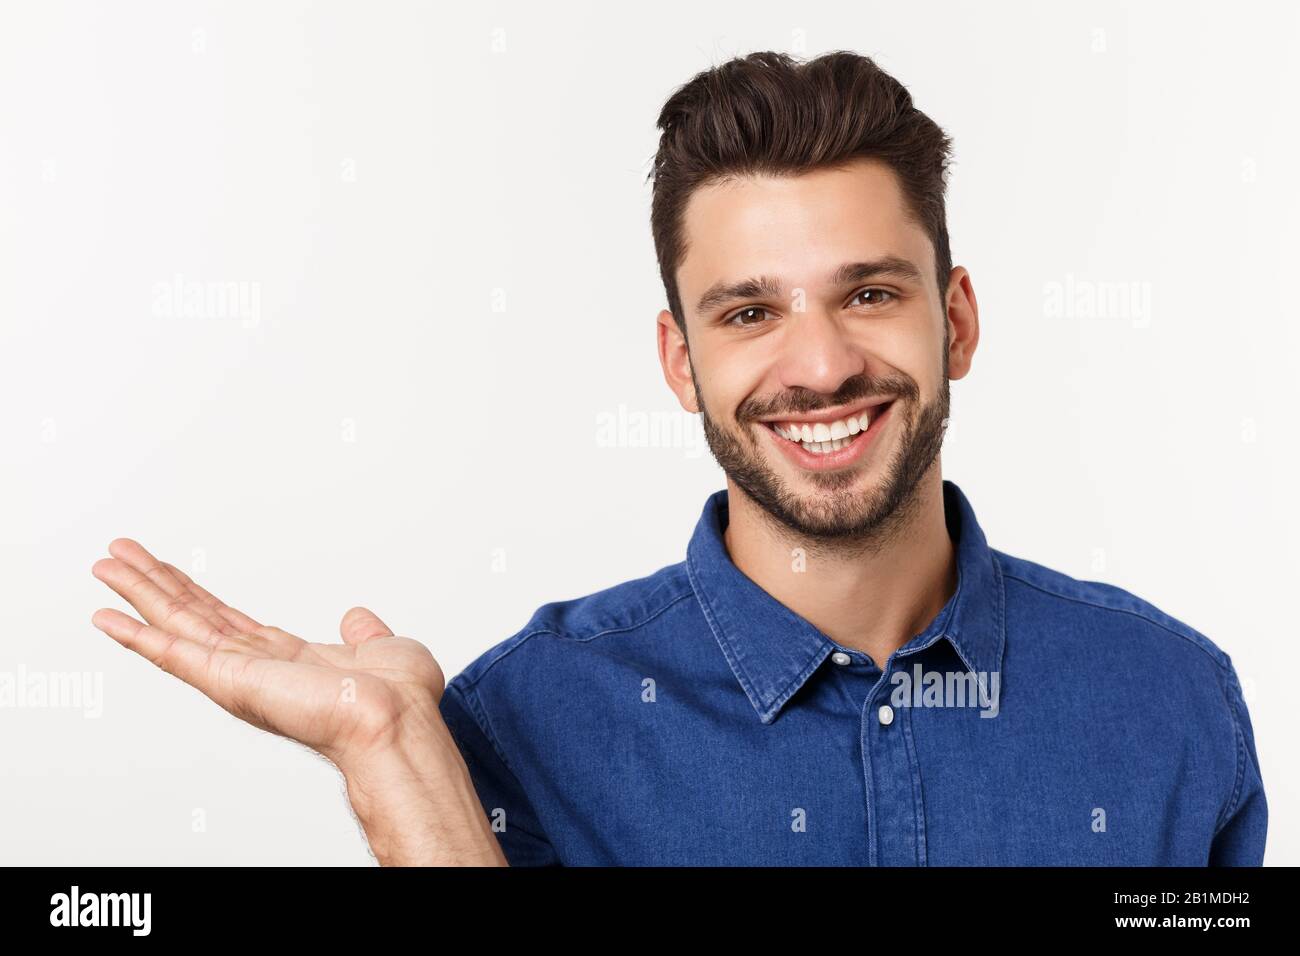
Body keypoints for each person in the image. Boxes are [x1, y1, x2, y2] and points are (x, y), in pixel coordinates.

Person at [90, 50, 1266, 866]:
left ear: (954, 318)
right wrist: (393, 754)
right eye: (749, 313)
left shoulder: (1168, 700)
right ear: (679, 359)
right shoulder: (520, 720)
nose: (817, 366)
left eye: (867, 291)